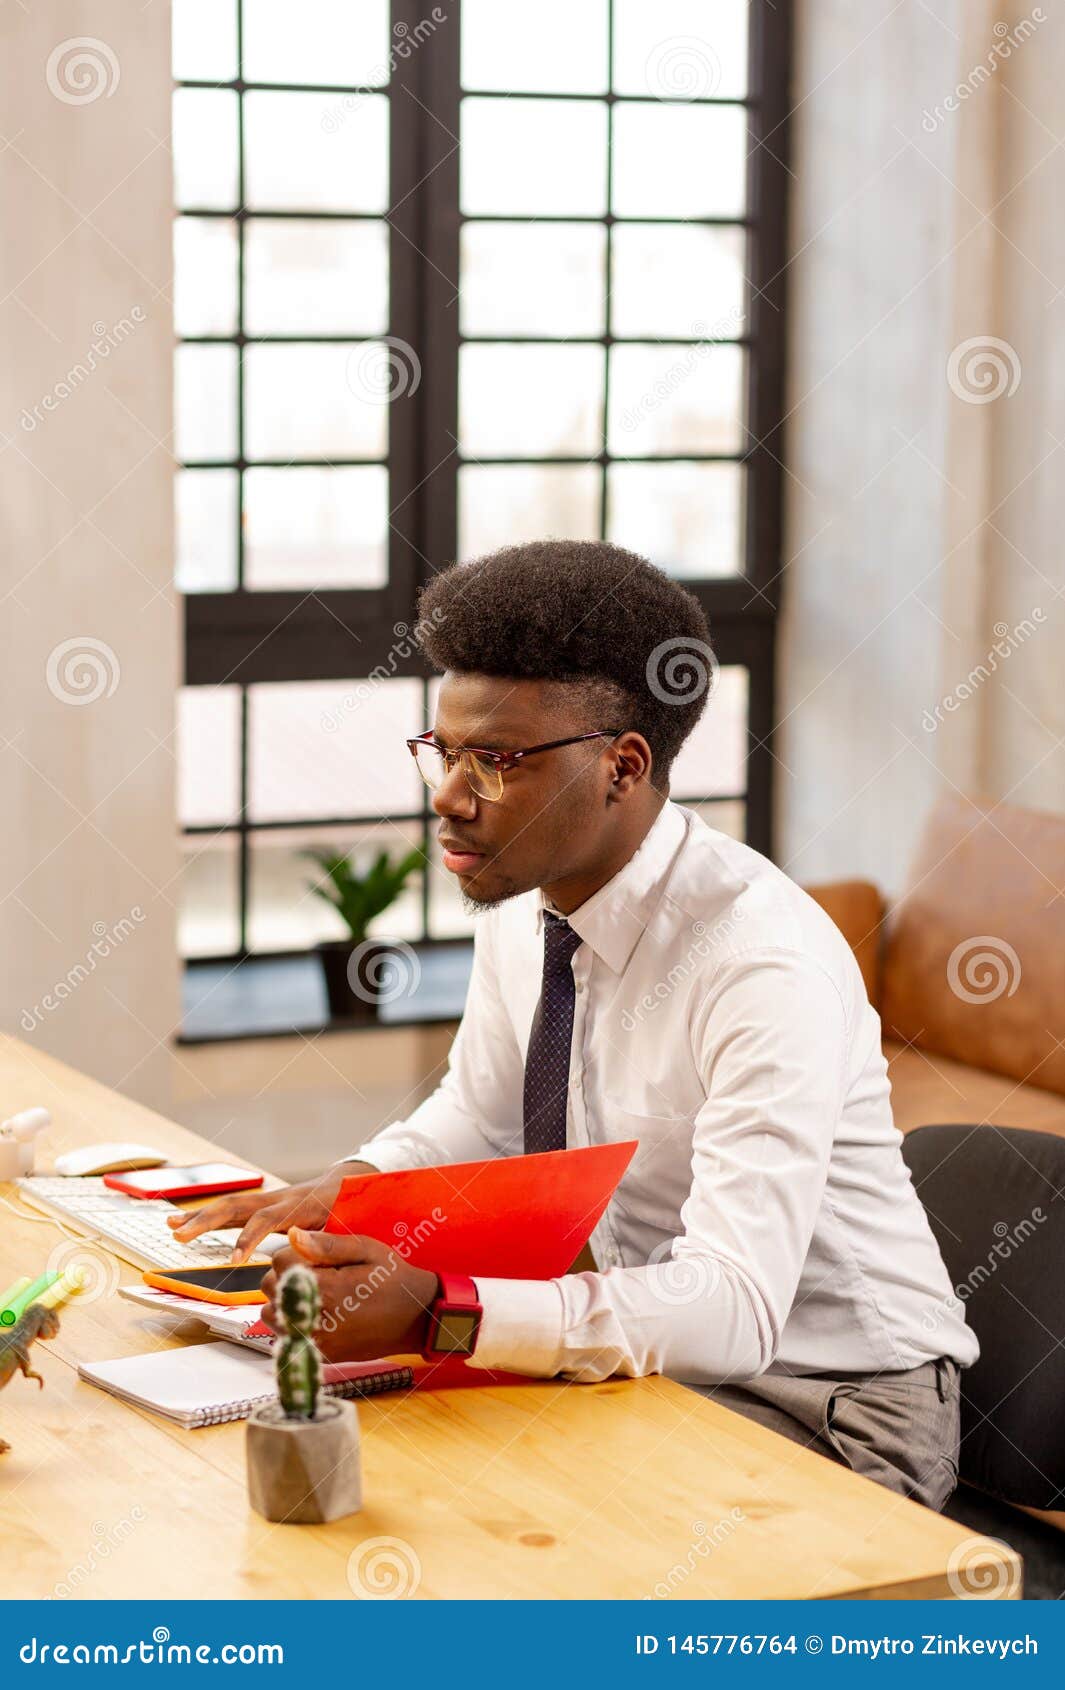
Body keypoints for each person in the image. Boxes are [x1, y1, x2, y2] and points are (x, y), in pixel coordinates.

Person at [172, 538, 978, 1511]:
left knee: (490, 1518)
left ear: (621, 765)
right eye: (444, 750)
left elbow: (731, 1307)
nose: (448, 797)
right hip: (670, 1370)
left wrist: (443, 1311)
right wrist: (350, 1188)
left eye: (495, 761)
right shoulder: (529, 903)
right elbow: (477, 1118)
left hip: (831, 1405)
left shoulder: (760, 960)